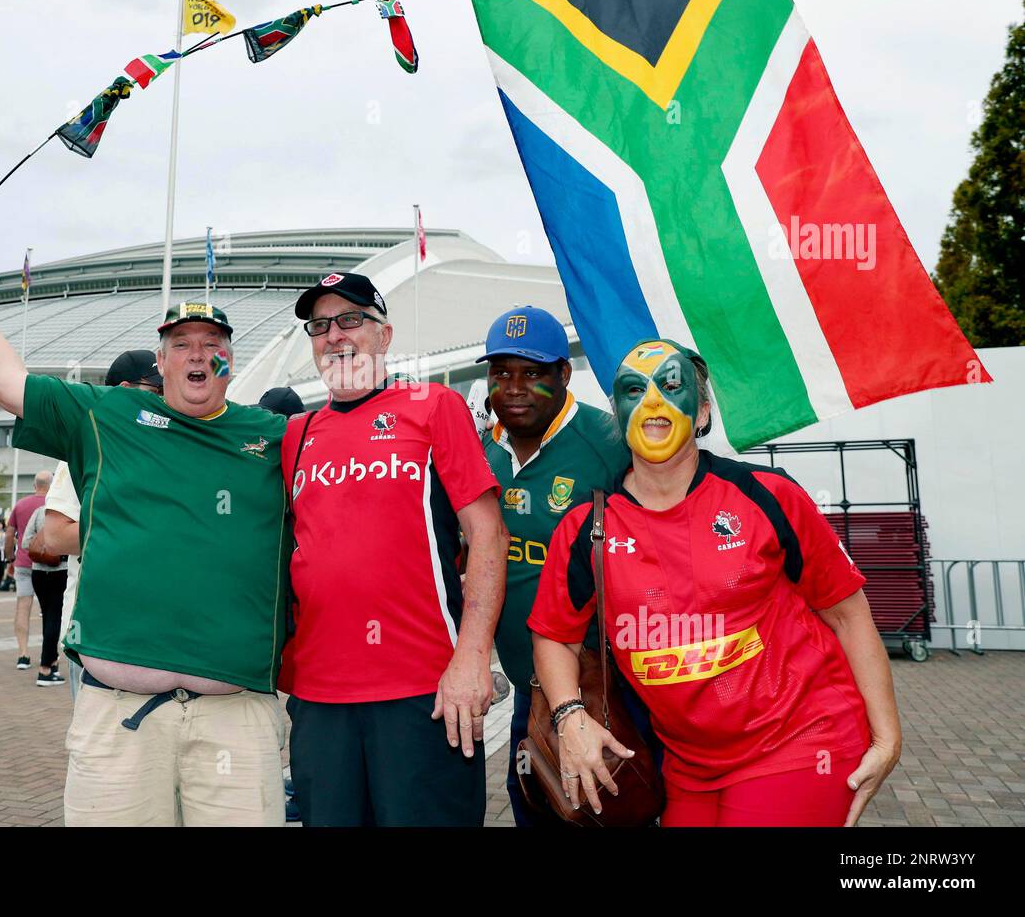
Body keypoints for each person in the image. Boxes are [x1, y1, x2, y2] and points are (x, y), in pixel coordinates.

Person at [0, 246, 291, 826]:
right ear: (163, 362)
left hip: (237, 717)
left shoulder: (275, 437)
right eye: (182, 345)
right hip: (117, 712)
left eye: (212, 347)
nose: (198, 356)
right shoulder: (109, 415)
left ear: (230, 362)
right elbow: (8, 384)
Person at [529, 338, 903, 826]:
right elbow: (555, 633)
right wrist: (569, 715)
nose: (653, 401)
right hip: (687, 765)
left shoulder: (767, 496)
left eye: (671, 385)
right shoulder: (586, 527)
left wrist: (887, 736)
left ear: (703, 412)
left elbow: (848, 613)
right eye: (633, 390)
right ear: (618, 416)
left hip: (800, 738)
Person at [282, 271, 509, 827]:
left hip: (425, 692)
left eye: (351, 320)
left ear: (383, 336)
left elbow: (488, 534)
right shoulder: (297, 433)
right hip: (320, 697)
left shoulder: (433, 406)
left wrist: (472, 658)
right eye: (320, 326)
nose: (335, 335)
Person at [475, 307, 631, 826]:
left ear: (564, 375)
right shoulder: (482, 450)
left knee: (614, 804)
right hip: (528, 683)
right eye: (501, 373)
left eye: (533, 374)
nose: (514, 387)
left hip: (605, 685)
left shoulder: (608, 442)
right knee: (534, 798)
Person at [39, 349, 165, 700]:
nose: (165, 400)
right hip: (97, 632)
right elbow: (56, 535)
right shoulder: (88, 448)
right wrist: (139, 530)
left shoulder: (163, 454)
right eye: (157, 391)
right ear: (124, 391)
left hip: (154, 630)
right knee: (97, 748)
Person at [6, 472, 51, 668]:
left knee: (23, 608)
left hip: (23, 563)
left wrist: (10, 558)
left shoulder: (21, 505)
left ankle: (23, 655)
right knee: (50, 612)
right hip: (49, 566)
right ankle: (47, 656)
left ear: (34, 485)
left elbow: (9, 535)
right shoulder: (53, 506)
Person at [20, 504, 67, 687]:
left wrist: (43, 548)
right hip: (60, 571)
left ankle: (52, 662)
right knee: (55, 619)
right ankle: (45, 669)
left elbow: (25, 543)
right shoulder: (68, 511)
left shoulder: (40, 512)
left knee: (48, 618)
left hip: (38, 572)